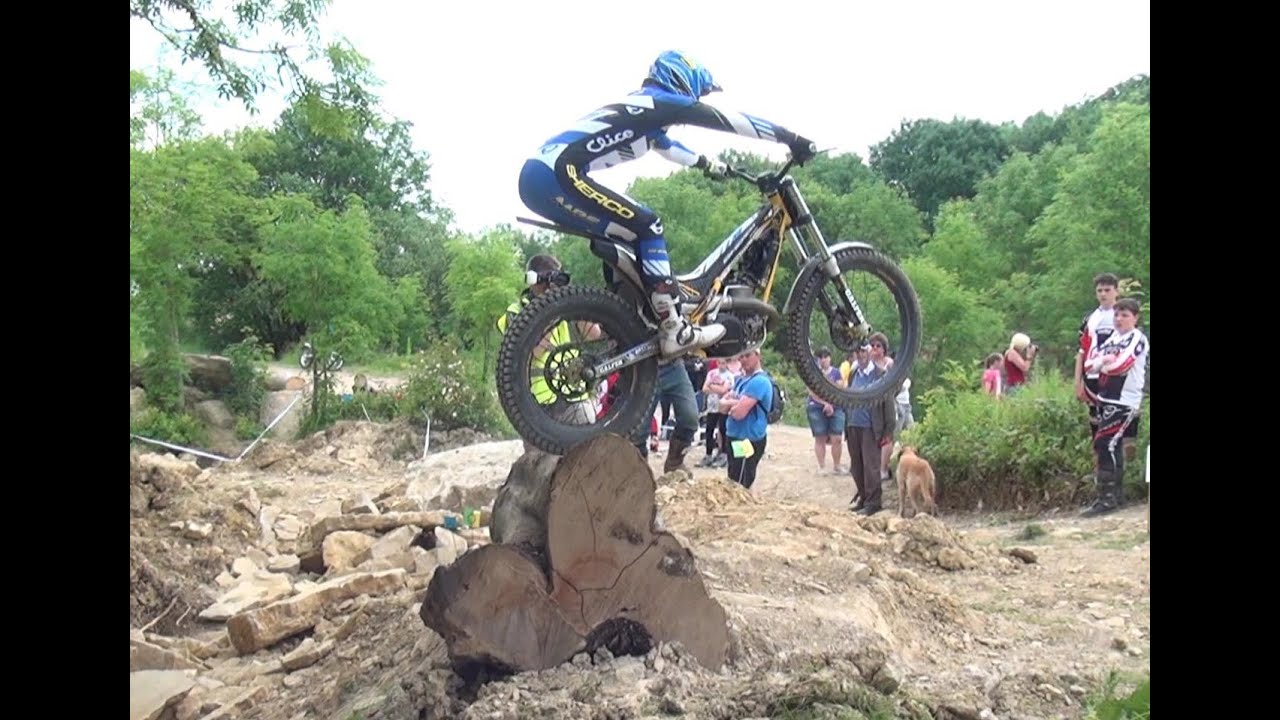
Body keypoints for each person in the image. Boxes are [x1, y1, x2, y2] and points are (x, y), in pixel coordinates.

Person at [517, 50, 817, 358]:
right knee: (648, 225)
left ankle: (631, 312)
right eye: (696, 94)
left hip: (541, 176)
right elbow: (729, 121)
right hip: (556, 174)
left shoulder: (644, 110)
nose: (696, 99)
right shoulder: (661, 103)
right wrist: (791, 138)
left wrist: (707, 164)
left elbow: (668, 147)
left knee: (626, 234)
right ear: (682, 82)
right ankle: (674, 327)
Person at [497, 254, 600, 453]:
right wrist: (552, 310)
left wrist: (577, 304)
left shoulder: (564, 304)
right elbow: (534, 351)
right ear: (534, 280)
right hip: (533, 405)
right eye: (547, 280)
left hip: (570, 396)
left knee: (585, 449)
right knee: (539, 464)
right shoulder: (516, 312)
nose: (549, 287)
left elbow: (594, 335)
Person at [1080, 298, 1148, 517]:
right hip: (1105, 397)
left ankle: (1106, 498)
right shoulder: (1113, 337)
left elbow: (1122, 365)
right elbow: (1090, 363)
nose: (1119, 319)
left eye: (1125, 315)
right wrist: (1105, 360)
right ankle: (1116, 496)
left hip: (1125, 400)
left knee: (1104, 442)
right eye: (1117, 315)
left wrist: (1105, 363)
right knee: (1112, 445)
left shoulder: (1136, 338)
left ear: (1135, 318)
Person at [718, 349, 773, 490]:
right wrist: (735, 403)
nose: (744, 360)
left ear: (757, 356)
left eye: (747, 355)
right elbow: (722, 408)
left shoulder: (759, 381)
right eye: (741, 356)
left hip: (747, 439)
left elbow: (738, 413)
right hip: (735, 436)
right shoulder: (741, 380)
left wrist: (731, 403)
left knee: (741, 482)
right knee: (734, 478)